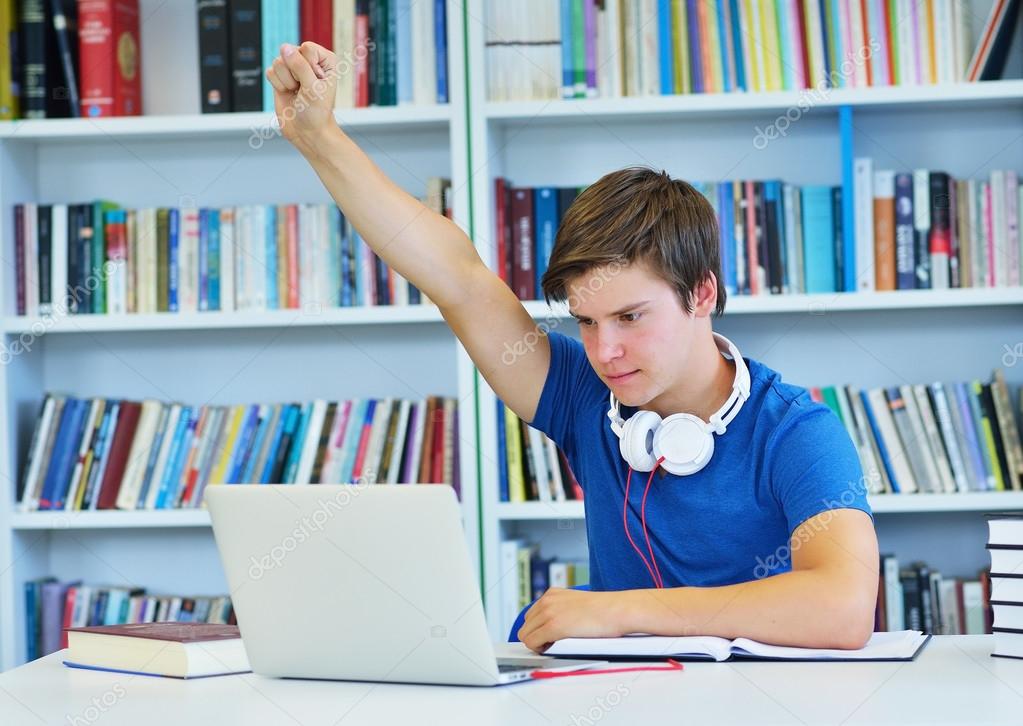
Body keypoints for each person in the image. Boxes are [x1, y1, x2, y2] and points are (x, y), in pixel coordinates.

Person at [266, 41, 880, 654]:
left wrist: (622, 613)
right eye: (585, 321)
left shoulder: (796, 431)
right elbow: (455, 275)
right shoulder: (584, 396)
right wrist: (320, 138)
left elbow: (843, 606)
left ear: (702, 293)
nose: (605, 351)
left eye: (630, 316)